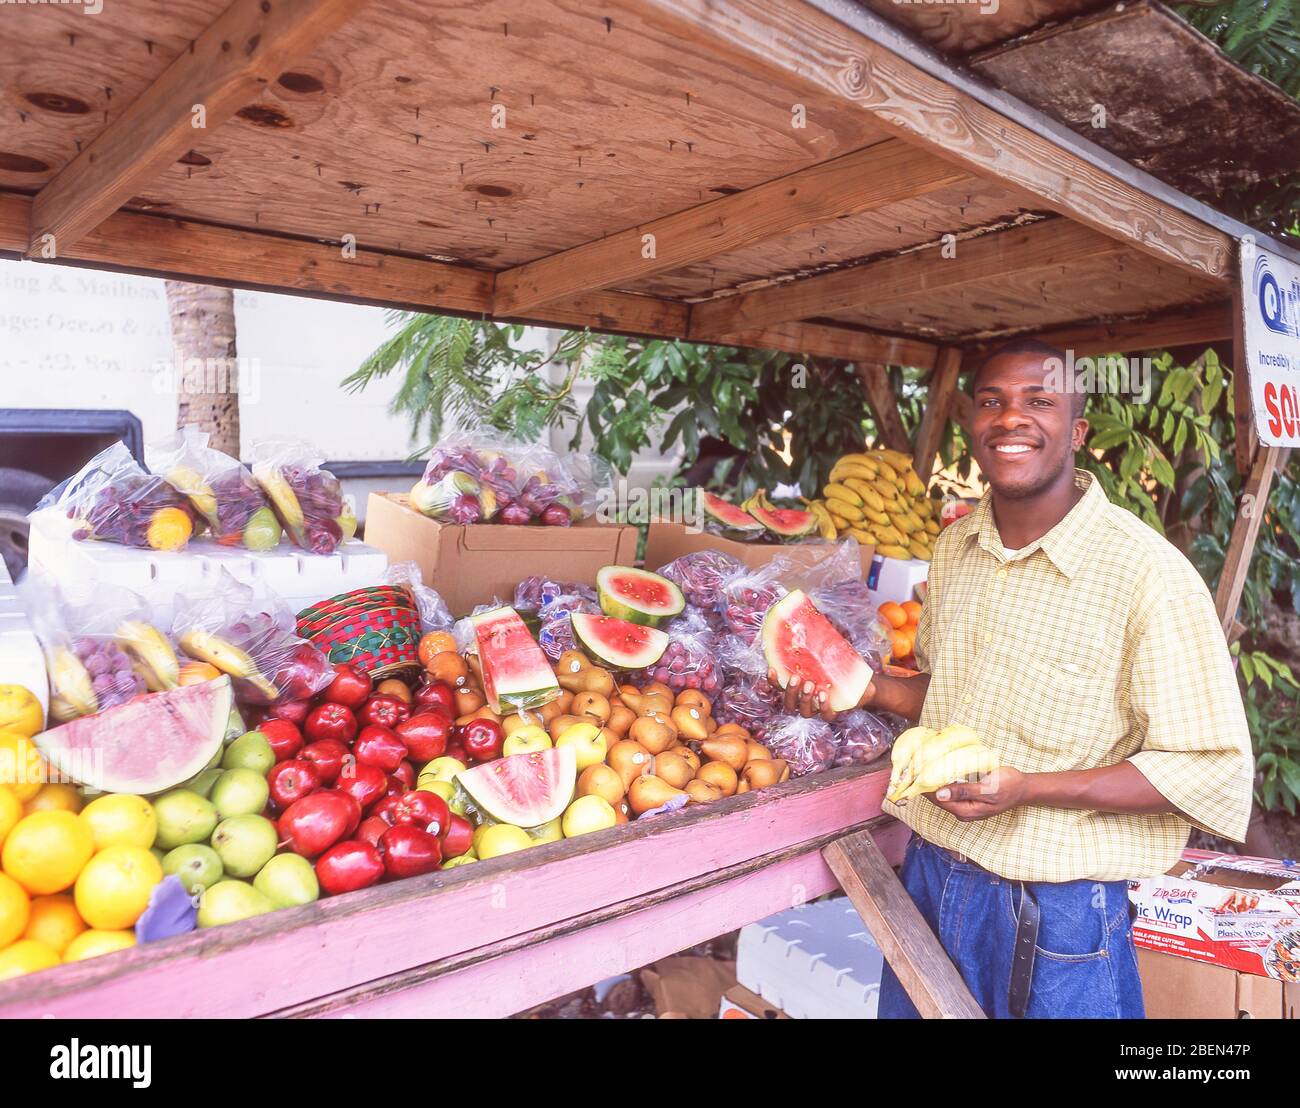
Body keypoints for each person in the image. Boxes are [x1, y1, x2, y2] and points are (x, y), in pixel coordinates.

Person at [780, 339, 1254, 1019]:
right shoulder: (957, 548)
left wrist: (1030, 789)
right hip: (933, 875)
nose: (1012, 418)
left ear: (1078, 432)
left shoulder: (1147, 574)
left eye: (1040, 401)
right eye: (994, 401)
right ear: (971, 424)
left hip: (1059, 911)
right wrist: (870, 689)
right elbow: (949, 693)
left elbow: (1206, 772)